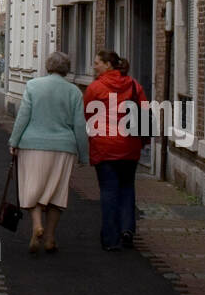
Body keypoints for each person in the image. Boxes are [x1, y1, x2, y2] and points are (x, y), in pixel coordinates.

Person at [8, 52, 88, 254]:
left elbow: (23, 116)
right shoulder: (74, 92)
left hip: (32, 144)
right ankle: (51, 237)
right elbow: (80, 125)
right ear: (66, 69)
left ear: (47, 66)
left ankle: (36, 225)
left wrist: (14, 141)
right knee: (57, 191)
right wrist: (83, 154)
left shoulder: (33, 86)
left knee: (33, 187)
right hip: (63, 147)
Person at [84, 49, 144, 251]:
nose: (94, 66)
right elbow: (144, 112)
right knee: (127, 188)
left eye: (97, 62)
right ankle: (127, 229)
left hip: (105, 147)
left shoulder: (95, 88)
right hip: (130, 146)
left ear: (108, 65)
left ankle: (111, 239)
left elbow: (87, 114)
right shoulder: (134, 85)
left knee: (109, 191)